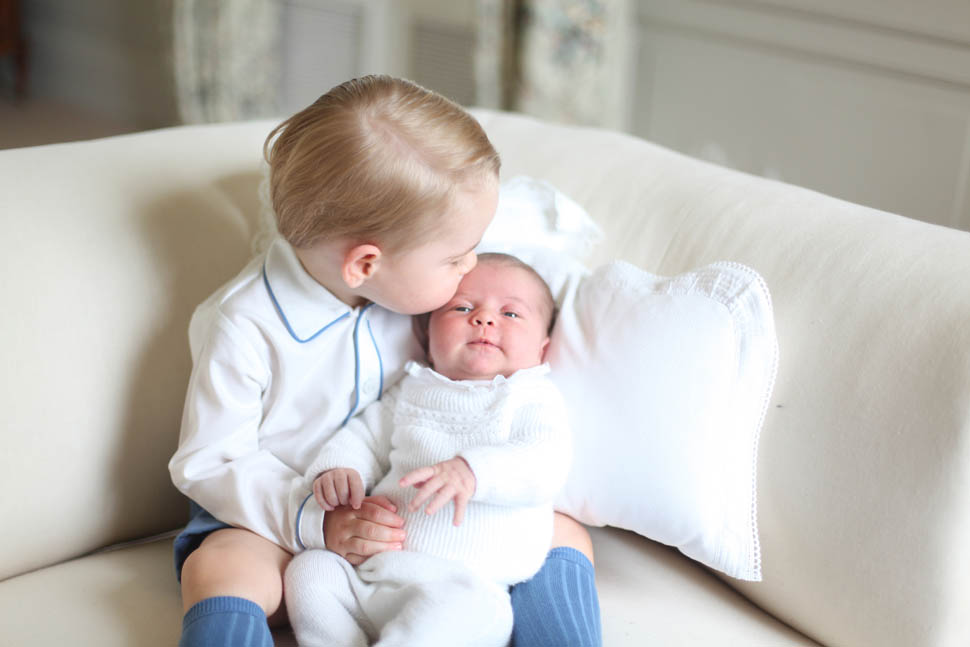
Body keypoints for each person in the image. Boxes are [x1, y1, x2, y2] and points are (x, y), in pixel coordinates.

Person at [169, 75, 601, 647]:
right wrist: (316, 519)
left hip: (419, 521)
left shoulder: (415, 286)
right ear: (366, 265)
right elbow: (208, 462)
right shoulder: (244, 325)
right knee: (221, 565)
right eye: (456, 257)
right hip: (280, 521)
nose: (470, 266)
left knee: (564, 532)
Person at [285, 254, 571, 646]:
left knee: (470, 611)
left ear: (542, 348)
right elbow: (365, 436)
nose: (484, 319)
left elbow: (546, 463)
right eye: (462, 308)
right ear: (428, 334)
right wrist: (339, 469)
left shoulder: (531, 397)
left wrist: (474, 471)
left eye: (510, 313)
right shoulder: (413, 389)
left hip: (467, 586)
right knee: (311, 570)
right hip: (375, 574)